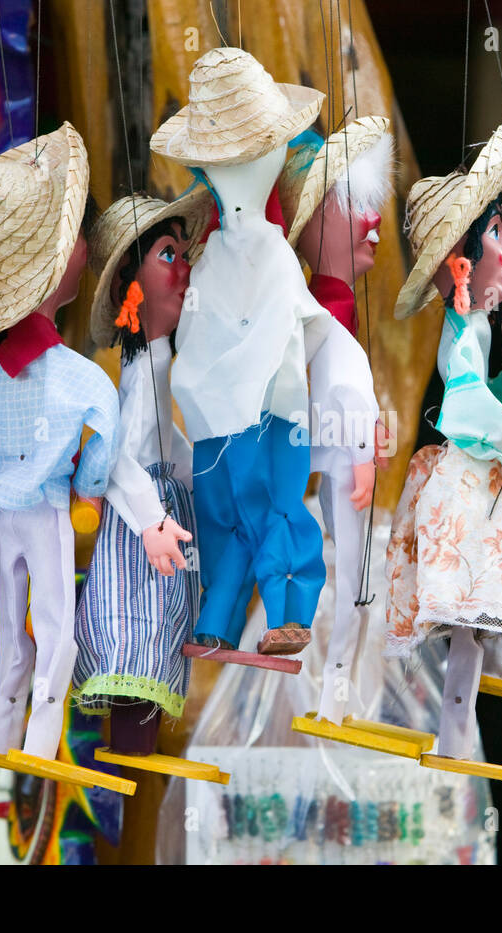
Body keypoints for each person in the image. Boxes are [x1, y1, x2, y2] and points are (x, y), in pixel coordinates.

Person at [0, 123, 119, 761]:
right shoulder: (83, 380)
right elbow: (102, 448)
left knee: (17, 639)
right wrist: (89, 489)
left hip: (3, 518)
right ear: (53, 261)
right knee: (56, 635)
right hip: (44, 512)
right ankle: (37, 749)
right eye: (73, 242)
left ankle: (2, 745)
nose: (85, 253)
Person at [385, 126, 502, 761]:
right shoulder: (460, 333)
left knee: (489, 603)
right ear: (461, 258)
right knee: (471, 619)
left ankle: (478, 694)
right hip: (465, 487)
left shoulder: (476, 326)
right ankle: (455, 733)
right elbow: (462, 404)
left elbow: (484, 394)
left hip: (476, 485)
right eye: (496, 235)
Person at [150, 48, 332, 657]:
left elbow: (296, 321)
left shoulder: (269, 254)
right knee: (223, 512)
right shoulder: (218, 257)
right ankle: (220, 617)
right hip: (217, 411)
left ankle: (286, 612)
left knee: (272, 505)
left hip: (260, 409)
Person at [71, 190, 211, 755]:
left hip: (158, 533)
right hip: (137, 544)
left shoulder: (157, 368)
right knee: (139, 636)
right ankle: (130, 748)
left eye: (183, 256)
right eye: (167, 255)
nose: (183, 271)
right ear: (132, 281)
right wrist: (153, 519)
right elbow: (115, 458)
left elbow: (166, 441)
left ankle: (138, 745)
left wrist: (199, 479)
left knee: (159, 636)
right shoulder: (134, 377)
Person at [279, 115, 392, 722]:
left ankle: (335, 697)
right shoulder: (308, 324)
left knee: (353, 573)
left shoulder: (323, 324)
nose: (372, 221)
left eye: (369, 202)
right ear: (316, 219)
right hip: (329, 457)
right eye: (353, 204)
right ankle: (328, 691)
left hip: (338, 457)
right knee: (340, 569)